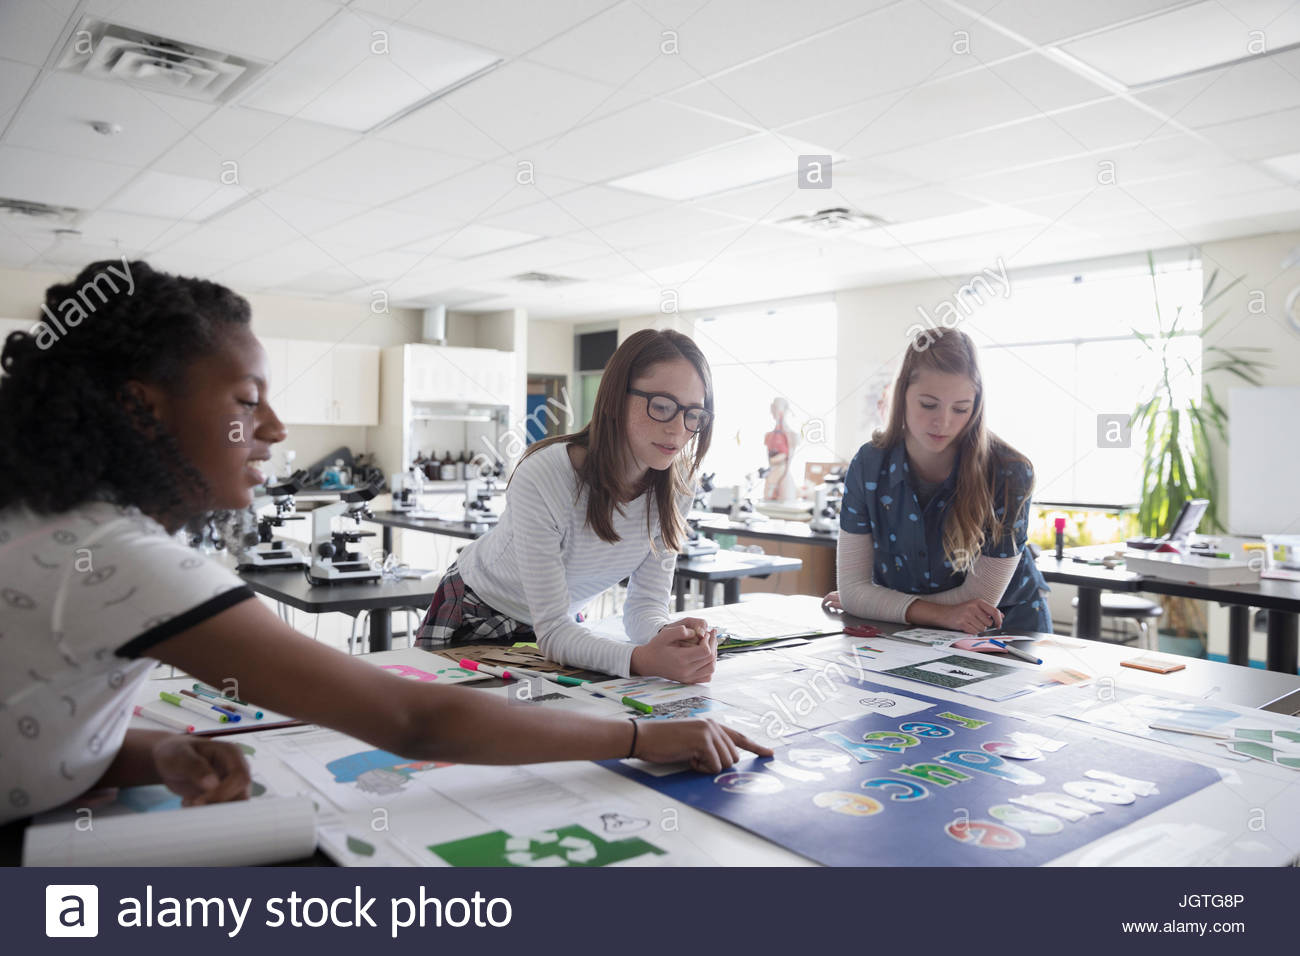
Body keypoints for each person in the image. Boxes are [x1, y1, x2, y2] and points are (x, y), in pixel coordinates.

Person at [0, 261, 768, 826]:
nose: (274, 430)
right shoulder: (117, 556)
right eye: (246, 401)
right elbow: (410, 720)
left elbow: (52, 708)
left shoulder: (69, 528)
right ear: (142, 409)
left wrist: (150, 753)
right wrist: (640, 734)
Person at [419, 329, 721, 684]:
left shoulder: (678, 484)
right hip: (478, 612)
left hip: (561, 628)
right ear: (614, 397)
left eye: (693, 415)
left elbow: (644, 608)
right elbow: (553, 632)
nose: (677, 430)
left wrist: (668, 638)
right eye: (662, 406)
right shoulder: (546, 474)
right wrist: (643, 660)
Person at [825, 327, 1051, 634]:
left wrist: (877, 602)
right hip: (910, 630)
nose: (943, 422)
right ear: (902, 395)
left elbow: (979, 601)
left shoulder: (1009, 472)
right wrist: (864, 600)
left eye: (961, 408)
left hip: (1007, 630)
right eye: (928, 404)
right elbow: (853, 592)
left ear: (977, 406)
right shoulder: (869, 463)